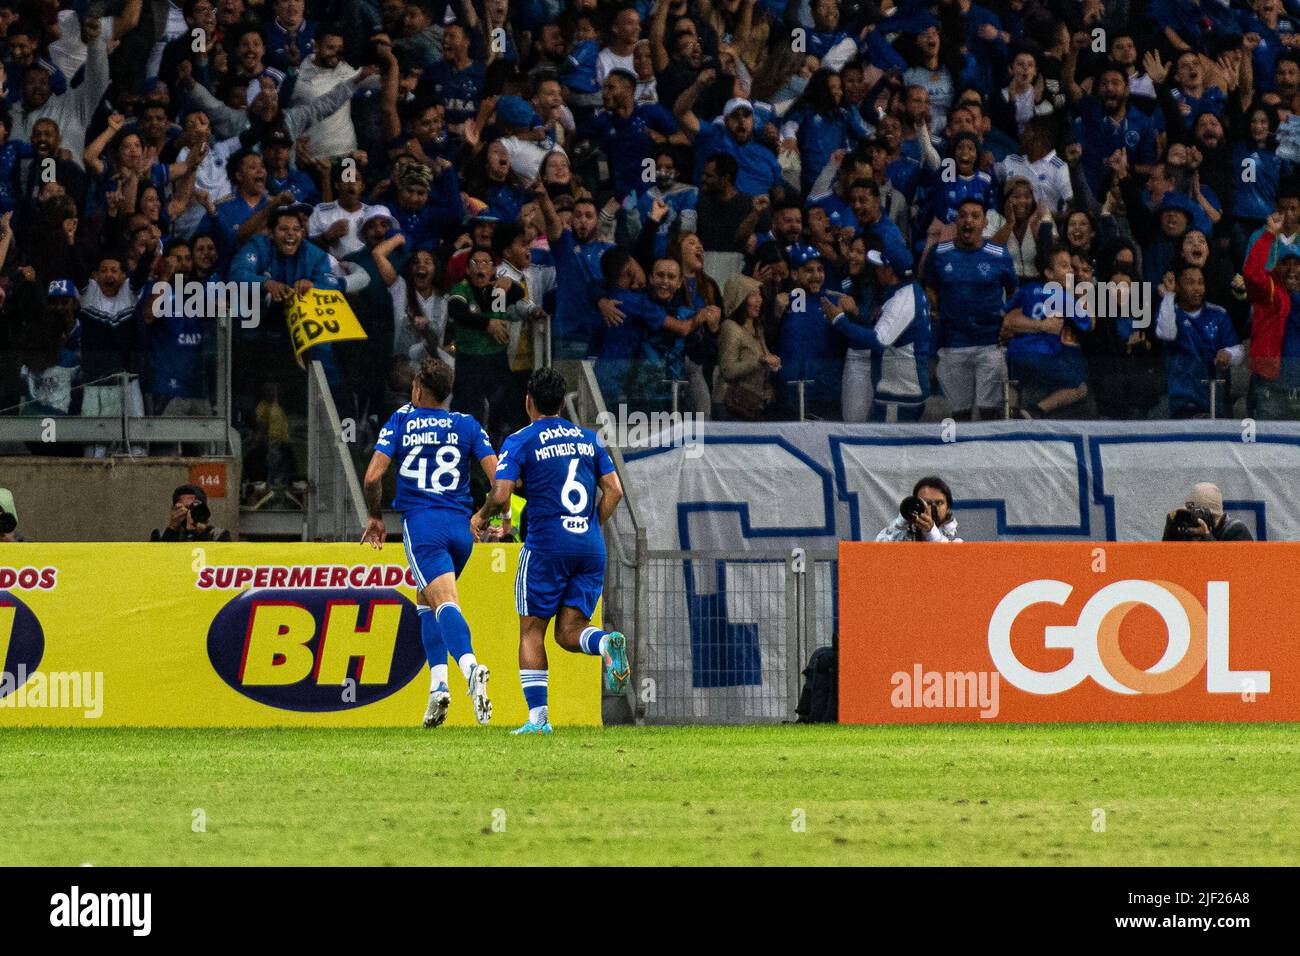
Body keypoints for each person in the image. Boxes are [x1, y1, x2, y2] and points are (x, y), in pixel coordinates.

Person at [472, 367, 628, 735]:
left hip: (546, 545)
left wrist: (480, 516)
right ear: (560, 402)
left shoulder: (521, 440)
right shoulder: (588, 439)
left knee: (532, 631)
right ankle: (605, 642)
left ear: (528, 401)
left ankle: (538, 719)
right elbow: (615, 491)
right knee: (570, 631)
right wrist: (588, 526)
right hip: (589, 546)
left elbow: (502, 493)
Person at [360, 357, 497, 729]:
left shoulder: (401, 421)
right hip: (461, 530)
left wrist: (375, 517)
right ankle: (438, 688)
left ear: (418, 389)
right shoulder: (467, 424)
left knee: (445, 602)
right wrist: (486, 516)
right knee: (426, 601)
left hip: (423, 527)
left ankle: (470, 668)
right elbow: (499, 481)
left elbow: (372, 477)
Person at [876, 476, 963, 542]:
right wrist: (902, 521)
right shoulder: (903, 535)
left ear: (948, 508)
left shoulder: (955, 541)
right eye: (926, 502)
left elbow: (949, 556)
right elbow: (878, 551)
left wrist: (931, 532)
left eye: (938, 503)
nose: (931, 508)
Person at [1161, 482, 1254, 541]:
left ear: (1212, 514)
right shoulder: (1190, 529)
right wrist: (1171, 526)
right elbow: (1166, 561)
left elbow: (1233, 565)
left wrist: (1206, 536)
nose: (1195, 519)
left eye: (1198, 513)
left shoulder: (1236, 530)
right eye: (1192, 513)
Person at [150, 484, 231, 542]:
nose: (191, 512)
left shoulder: (218, 536)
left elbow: (213, 559)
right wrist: (172, 528)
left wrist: (200, 534)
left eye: (196, 508)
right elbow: (160, 558)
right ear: (174, 509)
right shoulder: (159, 536)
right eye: (187, 508)